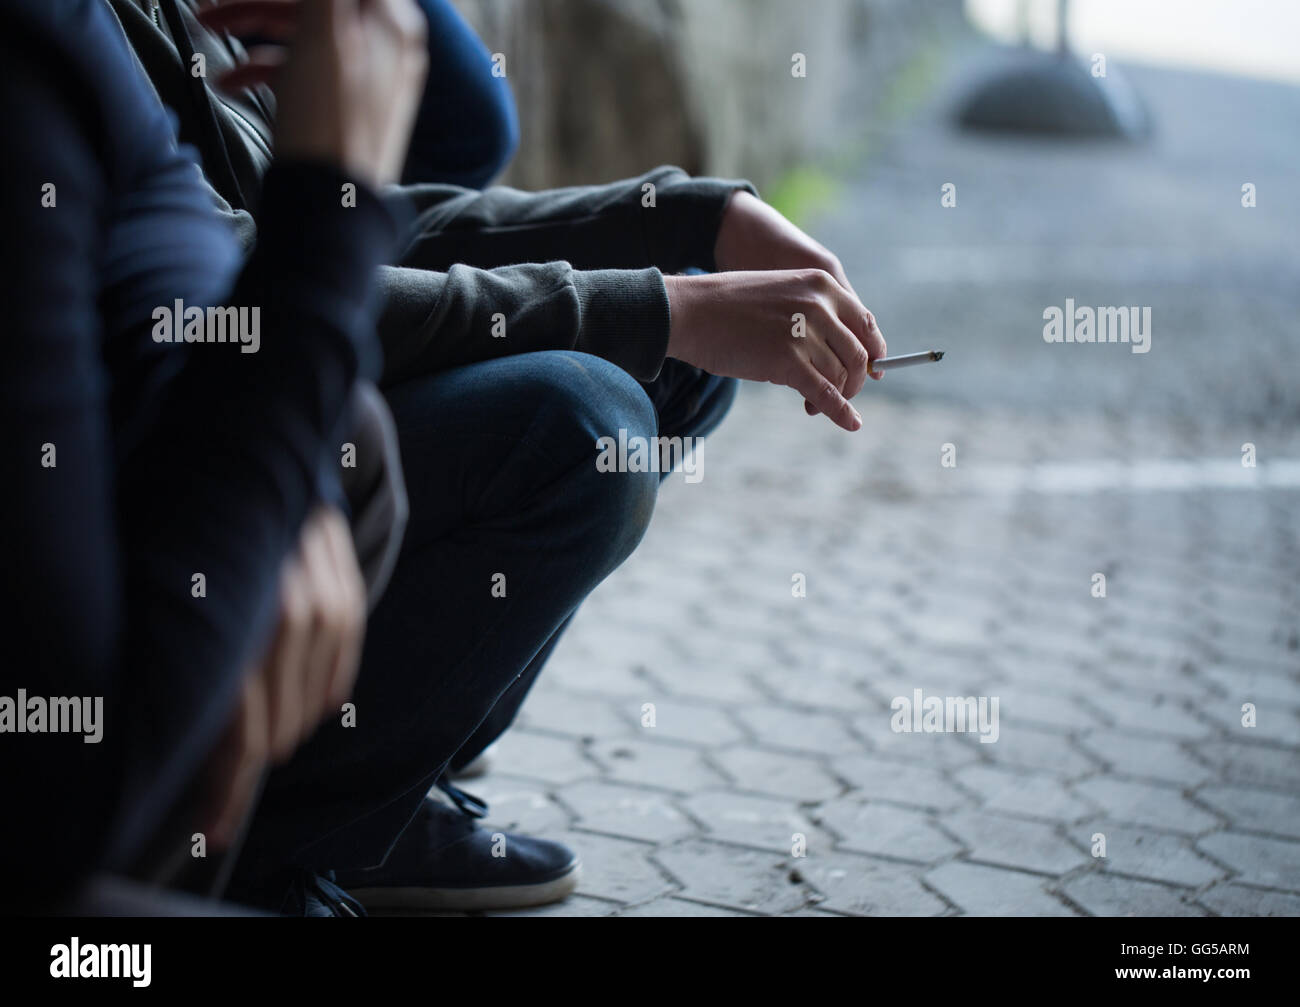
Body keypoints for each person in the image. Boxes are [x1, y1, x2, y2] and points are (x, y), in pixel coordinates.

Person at [103, 0, 890, 914]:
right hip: (135, 492)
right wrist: (661, 306)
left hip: (232, 413)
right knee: (583, 422)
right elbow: (234, 285)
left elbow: (371, 224)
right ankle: (262, 845)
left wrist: (694, 223)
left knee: (676, 360)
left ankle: (378, 798)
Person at [0, 0, 428, 914]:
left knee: (350, 439)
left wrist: (288, 461)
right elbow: (66, 781)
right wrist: (331, 209)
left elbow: (168, 217)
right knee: (580, 414)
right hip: (59, 805)